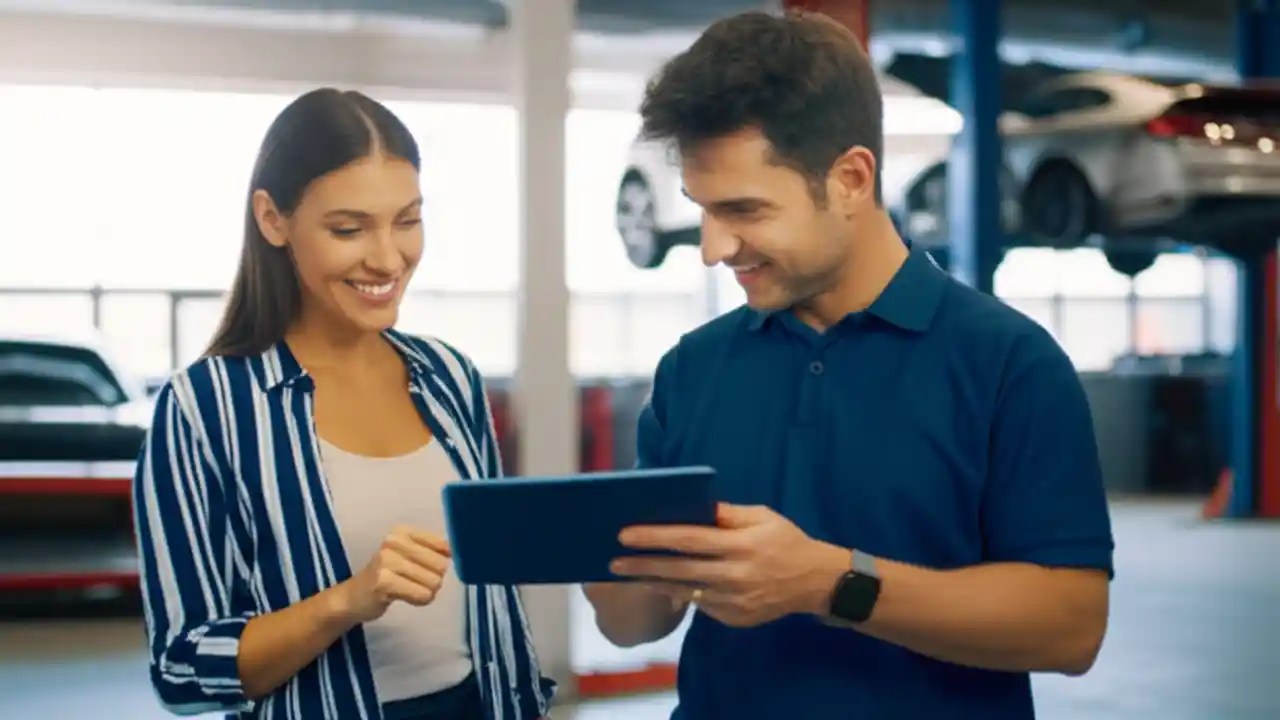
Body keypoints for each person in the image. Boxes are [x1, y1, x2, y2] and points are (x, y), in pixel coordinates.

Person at [584, 10, 1114, 720]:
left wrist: (829, 582)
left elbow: (1070, 627)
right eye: (702, 210)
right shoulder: (693, 369)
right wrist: (615, 575)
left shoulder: (1009, 364)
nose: (713, 248)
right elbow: (632, 625)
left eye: (744, 210)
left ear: (851, 180)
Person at [132, 89, 554, 720]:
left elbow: (494, 588)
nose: (387, 258)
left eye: (407, 221)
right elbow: (181, 671)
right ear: (272, 219)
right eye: (349, 229)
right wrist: (347, 601)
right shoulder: (205, 408)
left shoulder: (450, 377)